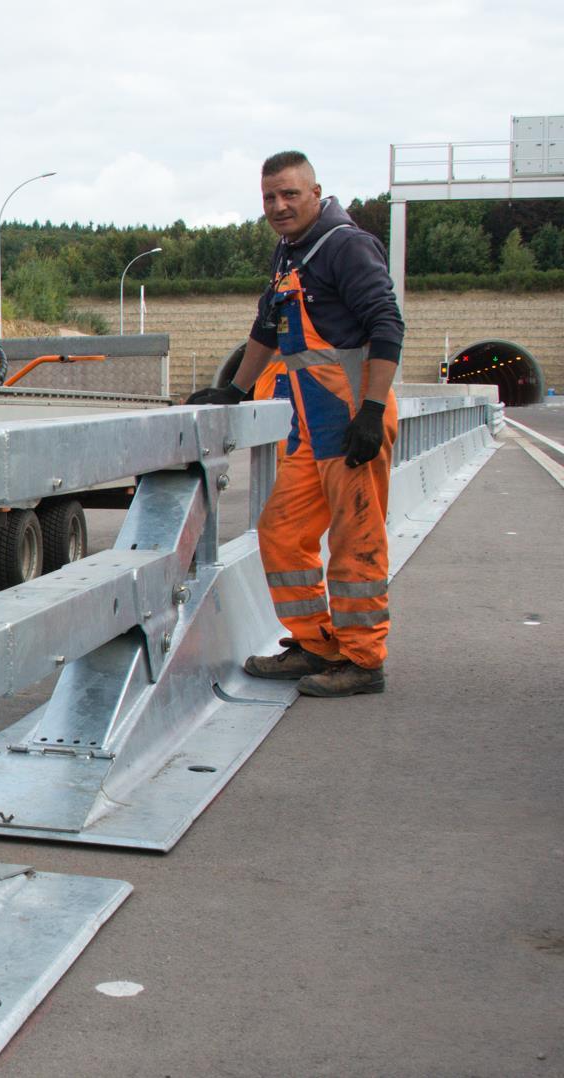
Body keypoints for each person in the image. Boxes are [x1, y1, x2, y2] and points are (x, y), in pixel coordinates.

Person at [187, 151, 404, 697]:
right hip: (311, 429)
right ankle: (316, 643)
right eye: (269, 198)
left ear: (315, 192)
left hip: (354, 421)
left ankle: (362, 660)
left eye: (289, 194)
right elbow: (266, 326)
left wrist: (373, 412)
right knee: (282, 533)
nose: (278, 206)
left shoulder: (346, 246)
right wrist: (234, 390)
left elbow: (386, 324)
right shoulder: (290, 253)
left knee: (356, 544)